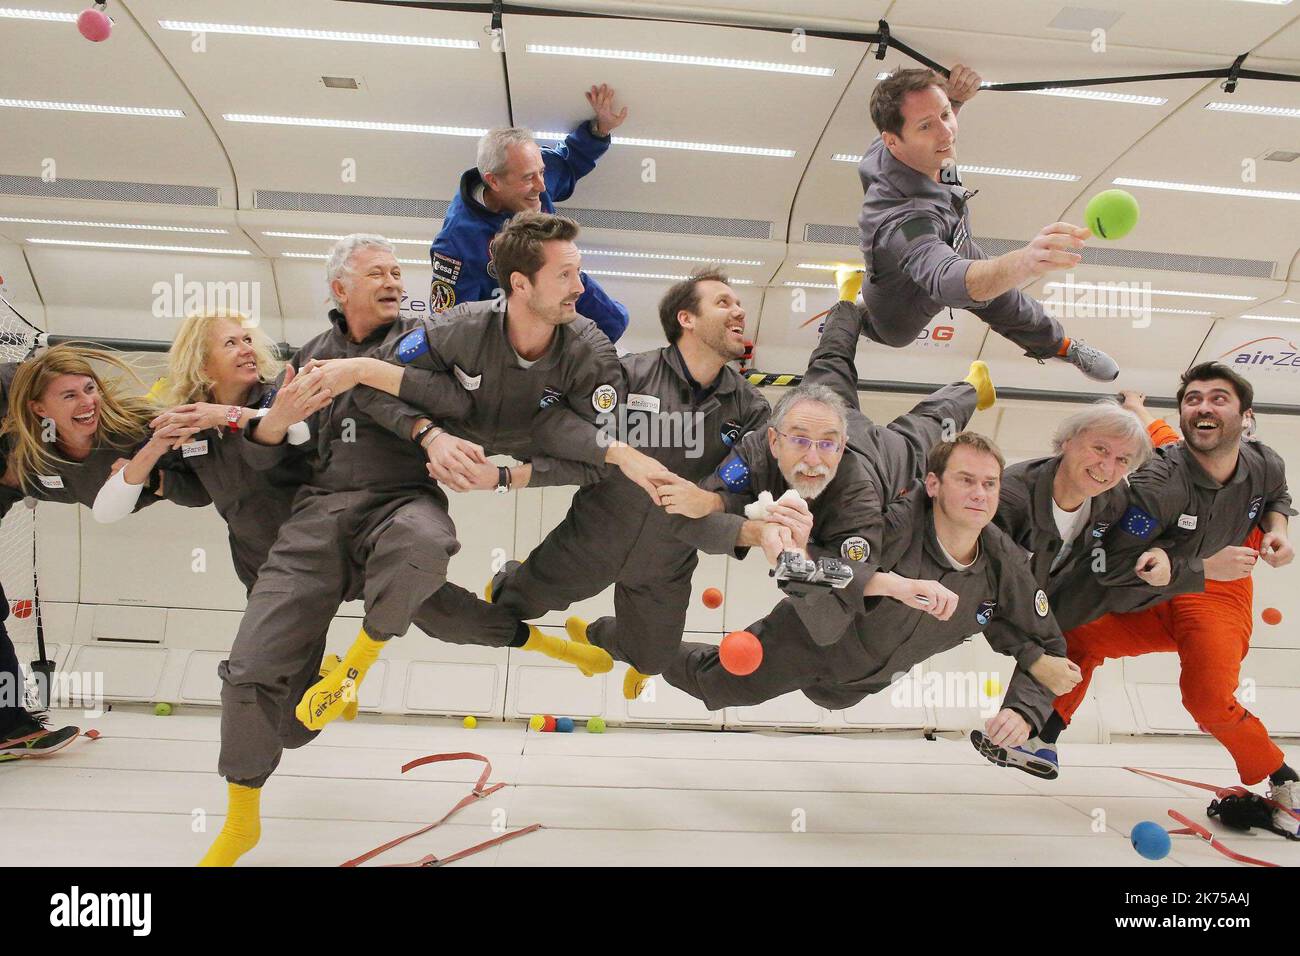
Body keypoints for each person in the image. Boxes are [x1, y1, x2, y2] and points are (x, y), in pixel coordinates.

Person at [199, 233, 607, 867]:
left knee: (430, 564)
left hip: (400, 503)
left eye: (397, 271)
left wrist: (429, 432)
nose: (393, 282)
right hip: (321, 512)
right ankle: (241, 816)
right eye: (376, 274)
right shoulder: (307, 358)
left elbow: (458, 403)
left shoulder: (431, 338)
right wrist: (253, 425)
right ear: (340, 289)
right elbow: (276, 454)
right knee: (252, 671)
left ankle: (552, 648)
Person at [1005, 367, 1299, 836]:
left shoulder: (1265, 464)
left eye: (1219, 399)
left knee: (1206, 699)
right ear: (1183, 417)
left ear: (1246, 418)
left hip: (1218, 595)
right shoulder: (1163, 474)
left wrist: (1278, 532)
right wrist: (1193, 564)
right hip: (1160, 586)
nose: (1205, 408)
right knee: (1078, 632)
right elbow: (1117, 564)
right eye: (1194, 400)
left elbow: (1276, 496)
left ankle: (1285, 779)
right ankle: (1044, 736)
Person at [663, 433, 1081, 747]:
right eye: (966, 480)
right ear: (933, 484)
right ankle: (625, 640)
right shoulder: (894, 526)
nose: (979, 493)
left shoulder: (1004, 563)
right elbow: (816, 566)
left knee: (833, 699)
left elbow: (1048, 644)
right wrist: (885, 583)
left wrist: (1024, 709)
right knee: (715, 686)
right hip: (802, 641)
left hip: (856, 685)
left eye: (990, 484)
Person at [486, 269, 770, 699]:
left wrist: (714, 501)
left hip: (667, 560)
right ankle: (513, 575)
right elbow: (574, 435)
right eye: (723, 302)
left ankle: (598, 634)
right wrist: (519, 473)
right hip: (591, 540)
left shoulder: (750, 407)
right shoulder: (630, 375)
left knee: (653, 659)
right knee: (507, 607)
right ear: (686, 319)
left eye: (738, 303)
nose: (739, 310)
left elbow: (751, 482)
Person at [0, 345, 205, 760]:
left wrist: (154, 479)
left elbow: (201, 491)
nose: (87, 402)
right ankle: (11, 725)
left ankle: (9, 726)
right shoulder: (21, 404)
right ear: (40, 407)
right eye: (70, 395)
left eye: (89, 389)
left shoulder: (134, 432)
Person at [856, 65, 1118, 381]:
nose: (946, 132)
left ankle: (1062, 346)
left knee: (1015, 305)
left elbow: (931, 115)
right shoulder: (903, 220)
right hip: (906, 301)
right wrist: (1024, 262)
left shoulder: (927, 153)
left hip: (956, 240)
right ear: (892, 142)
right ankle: (855, 312)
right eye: (926, 126)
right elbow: (946, 279)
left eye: (944, 115)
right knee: (895, 334)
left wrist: (956, 98)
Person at [93, 312, 324, 592]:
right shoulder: (191, 420)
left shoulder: (278, 394)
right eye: (231, 343)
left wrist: (224, 414)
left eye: (248, 340)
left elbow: (297, 429)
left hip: (318, 550)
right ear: (202, 366)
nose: (247, 349)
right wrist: (150, 470)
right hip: (262, 569)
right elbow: (194, 493)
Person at [430, 84, 629, 342]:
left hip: (563, 284)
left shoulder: (533, 176)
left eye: (541, 173)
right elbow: (451, 327)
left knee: (613, 324)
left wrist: (599, 129)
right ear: (494, 181)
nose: (542, 186)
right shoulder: (456, 242)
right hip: (516, 325)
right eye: (528, 178)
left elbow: (569, 159)